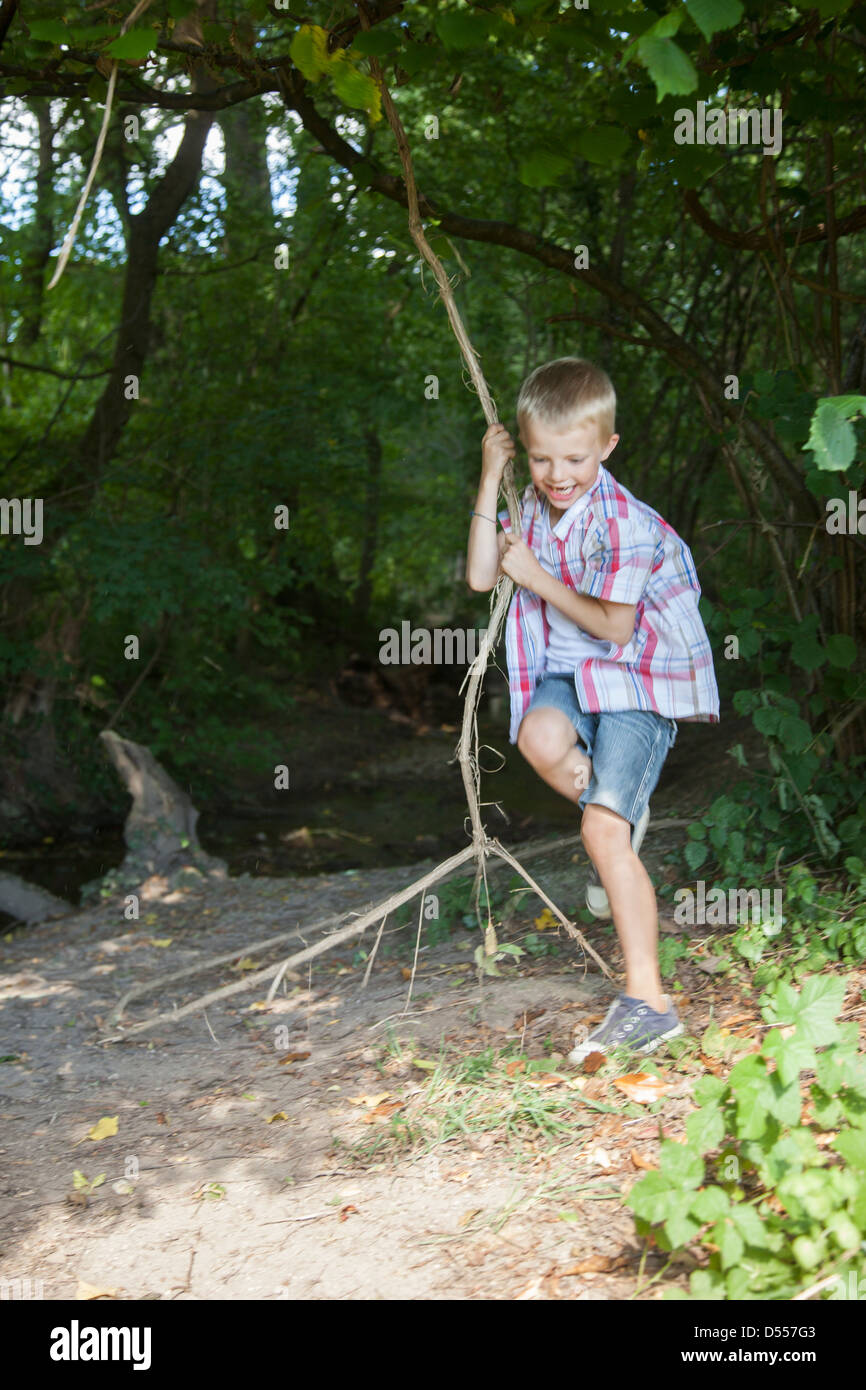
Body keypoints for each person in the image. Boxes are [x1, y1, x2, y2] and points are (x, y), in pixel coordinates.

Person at [466, 357, 719, 1060]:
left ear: (606, 447)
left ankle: (649, 1002)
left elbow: (613, 628)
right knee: (538, 737)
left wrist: (537, 577)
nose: (556, 474)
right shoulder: (533, 509)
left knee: (601, 836)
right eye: (540, 458)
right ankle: (615, 819)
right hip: (576, 678)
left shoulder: (625, 524)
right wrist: (492, 475)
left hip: (639, 677)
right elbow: (483, 574)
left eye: (574, 458)